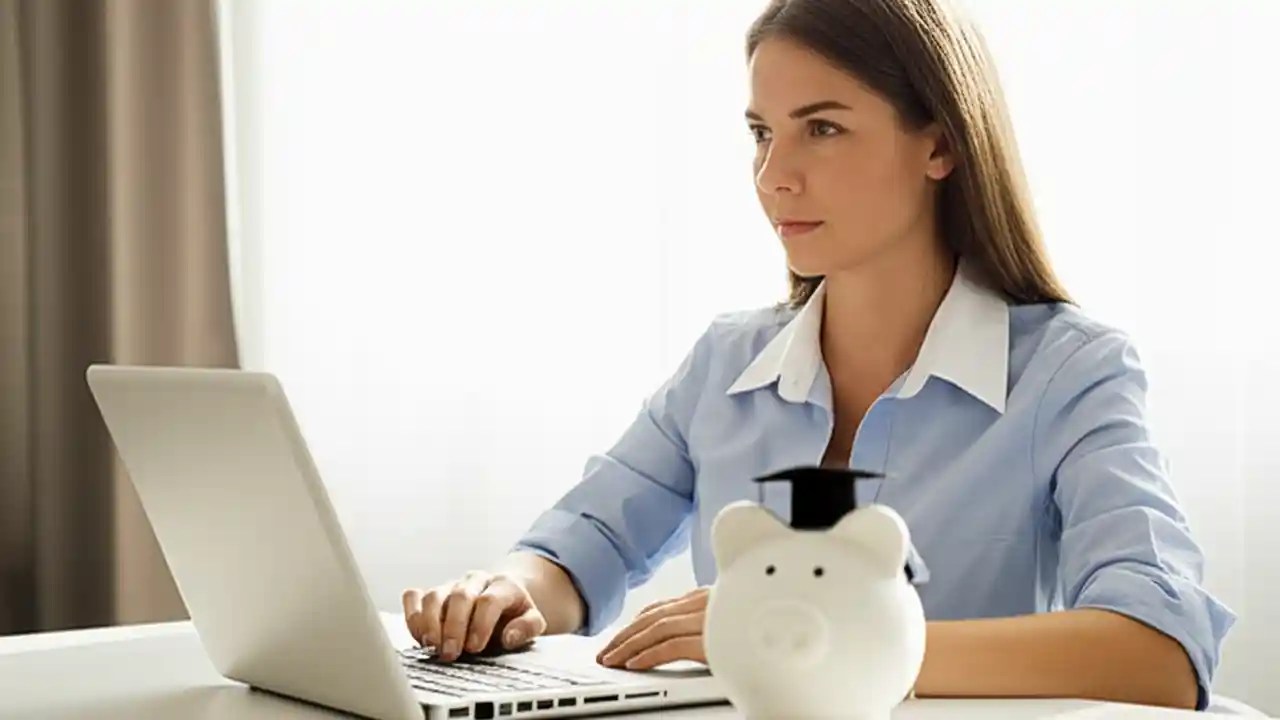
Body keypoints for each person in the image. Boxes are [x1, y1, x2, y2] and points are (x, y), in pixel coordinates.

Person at [402, 0, 1235, 710]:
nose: (773, 174)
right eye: (762, 132)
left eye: (823, 129)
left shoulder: (1069, 373)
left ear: (939, 147)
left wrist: (826, 637)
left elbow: (1158, 655)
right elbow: (581, 547)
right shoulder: (726, 362)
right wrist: (505, 591)